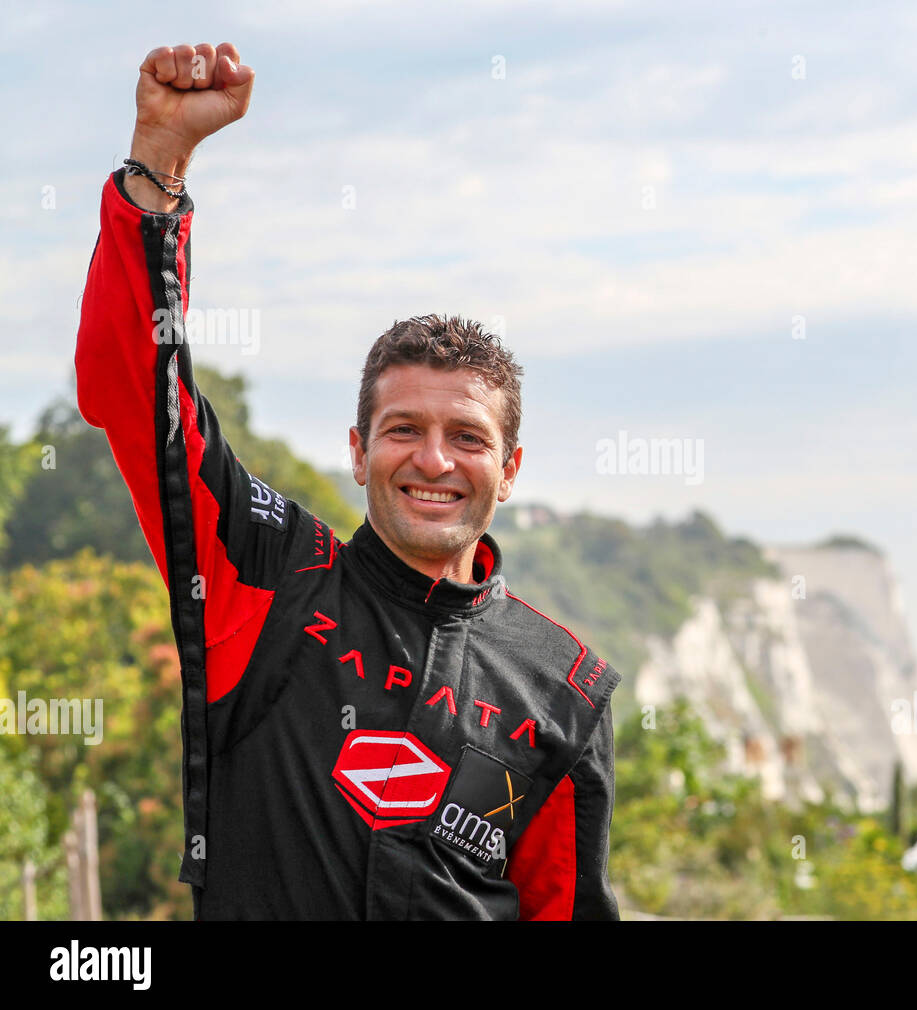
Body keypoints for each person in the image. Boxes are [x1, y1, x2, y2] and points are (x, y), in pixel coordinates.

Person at [75, 42, 621, 920]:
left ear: (510, 469)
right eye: (404, 429)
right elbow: (134, 394)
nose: (434, 461)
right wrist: (159, 164)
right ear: (359, 451)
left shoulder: (564, 687)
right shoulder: (269, 573)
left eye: (466, 438)